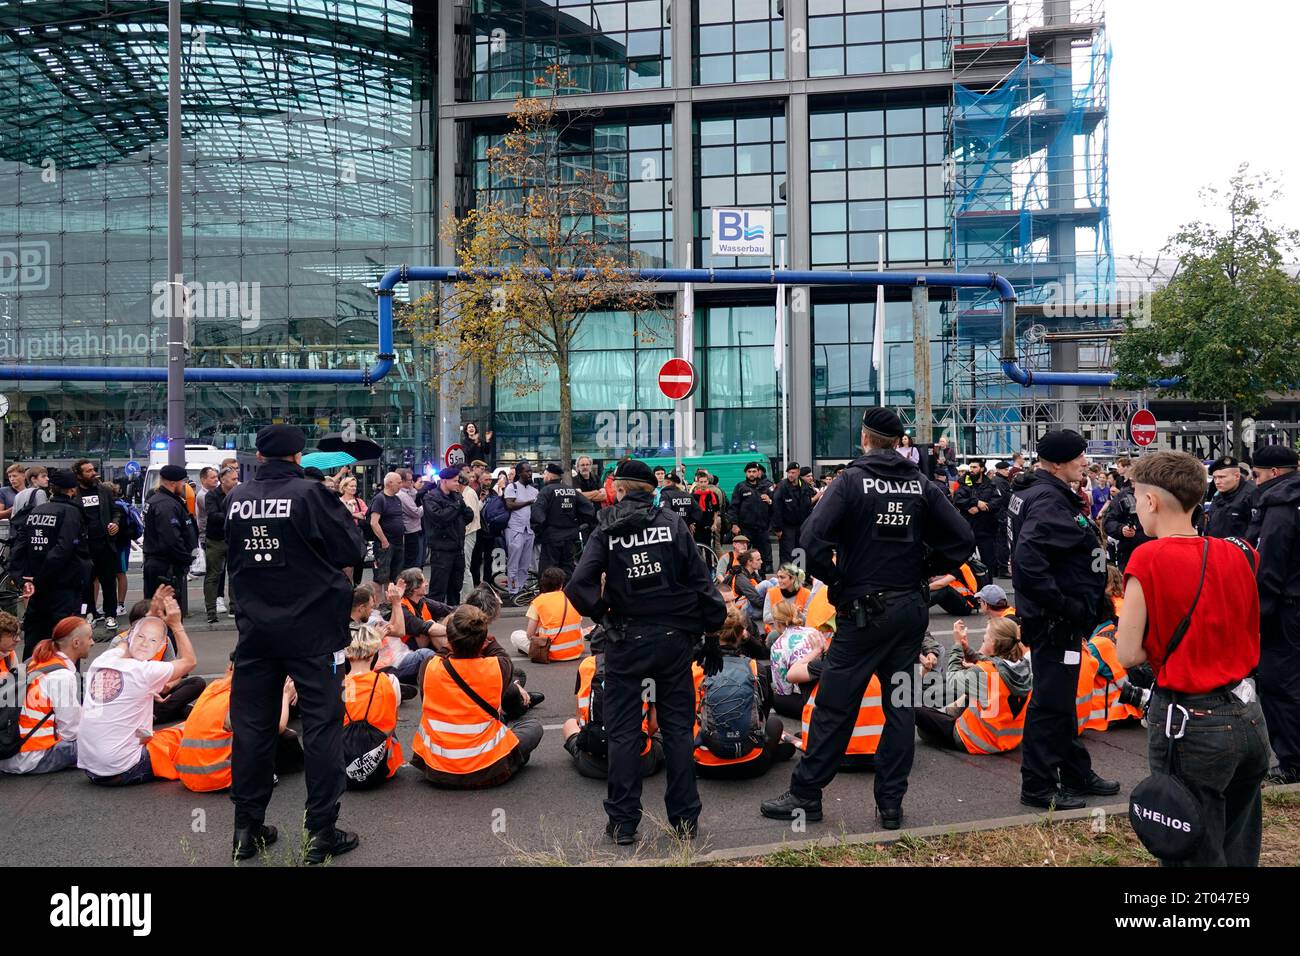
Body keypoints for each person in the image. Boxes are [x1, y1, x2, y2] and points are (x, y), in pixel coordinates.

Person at [761, 407, 974, 831]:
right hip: (909, 613)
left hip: (863, 615)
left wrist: (839, 582)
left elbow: (810, 539)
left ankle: (806, 796)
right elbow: (963, 539)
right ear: (898, 443)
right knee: (900, 707)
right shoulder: (921, 485)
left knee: (834, 708)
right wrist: (927, 565)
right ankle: (891, 805)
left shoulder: (851, 480)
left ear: (864, 438)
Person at [1116, 450, 1270, 866]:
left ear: (1151, 501)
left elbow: (1127, 652)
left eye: (1135, 497)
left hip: (1190, 723)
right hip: (1249, 716)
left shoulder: (1147, 557)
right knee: (1238, 844)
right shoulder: (1239, 553)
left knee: (1188, 850)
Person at [566, 459, 728, 845]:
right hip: (674, 640)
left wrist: (604, 614)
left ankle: (623, 824)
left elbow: (577, 585)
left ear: (619, 489)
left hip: (626, 640)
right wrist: (712, 630)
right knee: (676, 731)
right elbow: (700, 581)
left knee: (622, 733)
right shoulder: (671, 523)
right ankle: (685, 821)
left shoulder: (606, 528)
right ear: (649, 489)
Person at [225, 424, 367, 864]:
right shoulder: (310, 494)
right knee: (323, 727)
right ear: (299, 455)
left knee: (252, 728)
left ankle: (246, 830)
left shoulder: (236, 498)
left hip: (256, 630)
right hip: (312, 630)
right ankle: (320, 831)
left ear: (261, 456)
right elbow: (351, 548)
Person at [1008, 429, 1117, 811]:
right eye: (1079, 457)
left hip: (1054, 617)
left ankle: (1074, 772)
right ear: (1057, 464)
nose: (1085, 462)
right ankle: (1038, 786)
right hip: (1055, 620)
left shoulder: (1039, 494)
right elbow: (1028, 563)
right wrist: (1067, 605)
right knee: (1051, 703)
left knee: (1060, 700)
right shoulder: (1047, 502)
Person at [410, 605, 543, 788]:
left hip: (437, 768)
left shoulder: (429, 667)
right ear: (482, 641)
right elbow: (499, 652)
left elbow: (440, 658)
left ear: (449, 639)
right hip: (487, 769)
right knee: (533, 726)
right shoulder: (498, 666)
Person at [78, 606, 196, 785]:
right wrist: (177, 625)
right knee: (187, 731)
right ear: (164, 646)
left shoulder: (103, 659)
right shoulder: (145, 670)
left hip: (90, 769)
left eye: (152, 639)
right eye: (142, 637)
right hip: (122, 769)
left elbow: (124, 645)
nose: (145, 643)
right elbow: (189, 661)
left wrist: (143, 624)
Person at [1247, 444, 1300, 785]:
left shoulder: (1280, 506)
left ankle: (1293, 762)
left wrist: (1257, 617)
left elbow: (1268, 568)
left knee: (1281, 686)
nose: (1254, 482)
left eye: (1257, 475)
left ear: (1274, 473)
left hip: (1285, 610)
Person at [691, 607, 795, 780]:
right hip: (751, 762)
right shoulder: (755, 668)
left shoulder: (695, 668)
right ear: (741, 635)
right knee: (775, 724)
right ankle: (769, 754)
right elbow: (764, 713)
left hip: (704, 764)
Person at [174, 652, 303, 793]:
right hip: (215, 776)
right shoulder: (244, 695)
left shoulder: (214, 687)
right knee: (283, 736)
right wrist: (285, 696)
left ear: (230, 668)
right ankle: (260, 774)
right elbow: (277, 727)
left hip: (187, 775)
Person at [916, 617, 1032, 755]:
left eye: (985, 636)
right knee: (975, 691)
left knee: (911, 708)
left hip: (976, 740)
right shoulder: (1025, 666)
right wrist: (968, 650)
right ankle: (946, 714)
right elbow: (997, 663)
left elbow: (952, 678)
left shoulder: (985, 671)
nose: (984, 638)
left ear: (993, 642)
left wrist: (958, 645)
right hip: (1010, 740)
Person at [11, 469, 92, 660]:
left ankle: (30, 681)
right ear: (72, 490)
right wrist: (40, 577)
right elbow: (63, 550)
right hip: (63, 587)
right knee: (66, 640)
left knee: (34, 640)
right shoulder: (71, 512)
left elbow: (19, 546)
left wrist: (22, 578)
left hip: (38, 590)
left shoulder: (35, 511)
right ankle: (65, 682)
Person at [562, 628, 664, 780]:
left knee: (569, 724)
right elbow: (654, 724)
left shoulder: (586, 666)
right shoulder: (645, 665)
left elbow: (579, 718)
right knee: (664, 736)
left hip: (592, 762)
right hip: (638, 763)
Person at [0, 616, 92, 775]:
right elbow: (71, 732)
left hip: (8, 751)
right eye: (89, 638)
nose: (92, 642)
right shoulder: (62, 675)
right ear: (76, 643)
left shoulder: (34, 660)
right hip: (31, 756)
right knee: (102, 741)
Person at [341, 623, 404, 786]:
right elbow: (393, 722)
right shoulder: (390, 681)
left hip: (344, 759)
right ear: (373, 653)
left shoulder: (339, 685)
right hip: (382, 762)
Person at [74, 459, 125, 628]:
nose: (93, 473)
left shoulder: (103, 490)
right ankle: (90, 613)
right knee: (86, 582)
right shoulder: (74, 493)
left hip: (105, 544)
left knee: (109, 581)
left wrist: (115, 523)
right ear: (79, 475)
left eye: (93, 469)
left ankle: (111, 615)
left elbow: (116, 510)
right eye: (88, 471)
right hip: (84, 545)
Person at [142, 464, 198, 616]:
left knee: (159, 610)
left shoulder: (162, 500)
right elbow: (171, 539)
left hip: (161, 564)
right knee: (167, 613)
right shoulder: (166, 504)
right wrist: (186, 559)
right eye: (183, 482)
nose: (185, 486)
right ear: (174, 483)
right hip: (166, 567)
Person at [422, 466, 473, 606]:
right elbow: (441, 518)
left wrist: (457, 511)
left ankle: (454, 618)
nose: (458, 484)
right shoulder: (431, 497)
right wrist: (456, 507)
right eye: (455, 481)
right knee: (438, 589)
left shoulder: (456, 496)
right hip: (441, 550)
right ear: (444, 481)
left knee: (455, 588)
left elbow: (469, 514)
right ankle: (433, 620)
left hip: (457, 549)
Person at [532, 462, 593, 578]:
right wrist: (576, 525)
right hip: (570, 538)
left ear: (549, 476)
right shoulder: (571, 490)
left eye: (545, 474)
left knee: (548, 572)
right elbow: (589, 509)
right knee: (567, 570)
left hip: (552, 538)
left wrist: (540, 531)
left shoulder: (546, 491)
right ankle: (567, 595)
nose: (544, 477)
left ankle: (550, 596)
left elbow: (537, 514)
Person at [511, 566, 585, 662]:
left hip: (548, 652)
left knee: (515, 635)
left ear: (543, 584)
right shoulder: (571, 598)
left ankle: (531, 651)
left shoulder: (538, 602)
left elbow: (530, 635)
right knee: (580, 629)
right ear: (561, 585)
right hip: (575, 652)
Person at [953, 459, 1005, 574]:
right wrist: (975, 503)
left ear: (981, 469)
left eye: (975, 467)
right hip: (968, 527)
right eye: (970, 467)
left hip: (986, 528)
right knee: (965, 560)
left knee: (988, 560)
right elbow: (958, 500)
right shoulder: (964, 483)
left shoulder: (991, 485)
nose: (971, 470)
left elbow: (997, 502)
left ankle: (988, 584)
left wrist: (982, 507)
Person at [202, 466, 238, 623]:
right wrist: (233, 514)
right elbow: (213, 515)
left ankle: (235, 607)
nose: (236, 482)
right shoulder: (212, 495)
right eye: (234, 479)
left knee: (234, 574)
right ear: (223, 480)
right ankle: (211, 610)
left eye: (237, 478)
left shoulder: (238, 493)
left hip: (233, 538)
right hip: (216, 539)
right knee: (213, 575)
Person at [731, 461, 775, 575]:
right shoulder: (740, 487)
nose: (752, 474)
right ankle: (743, 577)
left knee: (764, 556)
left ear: (758, 472)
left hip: (762, 528)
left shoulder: (766, 487)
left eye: (754, 471)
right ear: (746, 473)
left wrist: (770, 501)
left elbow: (776, 505)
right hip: (746, 528)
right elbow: (734, 507)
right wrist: (734, 524)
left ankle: (763, 579)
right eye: (749, 472)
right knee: (744, 555)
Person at [1104, 467, 1151, 572]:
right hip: (1128, 555)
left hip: (1152, 553)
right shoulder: (1123, 495)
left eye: (1135, 476)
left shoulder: (1159, 495)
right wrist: (1121, 529)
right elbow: (1108, 521)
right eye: (1131, 476)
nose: (1131, 479)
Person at [503, 460, 538, 595]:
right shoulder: (512, 487)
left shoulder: (534, 490)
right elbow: (510, 505)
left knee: (525, 564)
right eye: (527, 471)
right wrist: (528, 502)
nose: (530, 473)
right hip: (514, 530)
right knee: (513, 564)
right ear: (519, 473)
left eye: (530, 471)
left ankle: (521, 588)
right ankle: (513, 590)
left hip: (529, 531)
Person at [1203, 455, 1256, 540]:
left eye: (1221, 477)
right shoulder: (1218, 497)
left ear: (1237, 476)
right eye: (1215, 478)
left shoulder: (1252, 496)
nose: (1217, 482)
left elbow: (1255, 532)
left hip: (1240, 551)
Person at [772, 463, 815, 567]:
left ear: (798, 472)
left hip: (802, 526)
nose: (790, 475)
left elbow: (809, 507)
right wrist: (777, 529)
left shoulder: (804, 486)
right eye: (789, 473)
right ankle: (785, 577)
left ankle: (801, 577)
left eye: (793, 473)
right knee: (788, 554)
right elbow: (776, 509)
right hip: (787, 527)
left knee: (801, 552)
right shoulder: (782, 486)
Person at [368, 472, 406, 587]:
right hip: (385, 545)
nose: (401, 485)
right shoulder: (380, 499)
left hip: (398, 543)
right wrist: (384, 541)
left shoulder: (397, 499)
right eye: (399, 483)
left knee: (395, 578)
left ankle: (390, 603)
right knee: (381, 578)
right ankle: (379, 604)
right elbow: (374, 522)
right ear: (390, 483)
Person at [339, 475, 368, 585]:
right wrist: (354, 515)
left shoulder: (359, 501)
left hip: (357, 534)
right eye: (351, 486)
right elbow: (339, 517)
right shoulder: (339, 501)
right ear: (344, 487)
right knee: (347, 564)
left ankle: (356, 584)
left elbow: (366, 514)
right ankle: (347, 585)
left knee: (359, 559)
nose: (353, 488)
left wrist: (350, 515)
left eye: (355, 486)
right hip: (344, 534)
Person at [658, 472, 701, 541]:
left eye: (664, 482)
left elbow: (664, 511)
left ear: (668, 483)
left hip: (671, 529)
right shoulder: (687, 495)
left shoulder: (665, 494)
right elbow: (698, 511)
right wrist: (689, 522)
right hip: (685, 527)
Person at [397, 470, 424, 573]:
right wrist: (426, 505)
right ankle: (408, 582)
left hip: (412, 529)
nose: (411, 482)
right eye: (409, 480)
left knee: (413, 557)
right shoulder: (402, 495)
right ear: (402, 481)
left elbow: (414, 495)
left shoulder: (406, 492)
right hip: (410, 530)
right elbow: (416, 512)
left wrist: (411, 487)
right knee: (410, 559)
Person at [690, 468, 724, 550]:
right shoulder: (694, 496)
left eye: (705, 482)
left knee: (709, 548)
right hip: (697, 526)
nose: (703, 484)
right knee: (698, 549)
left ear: (708, 482)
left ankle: (710, 563)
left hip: (708, 525)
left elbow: (716, 510)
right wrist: (691, 524)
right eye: (701, 482)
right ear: (697, 483)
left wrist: (715, 523)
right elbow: (690, 511)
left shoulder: (713, 495)